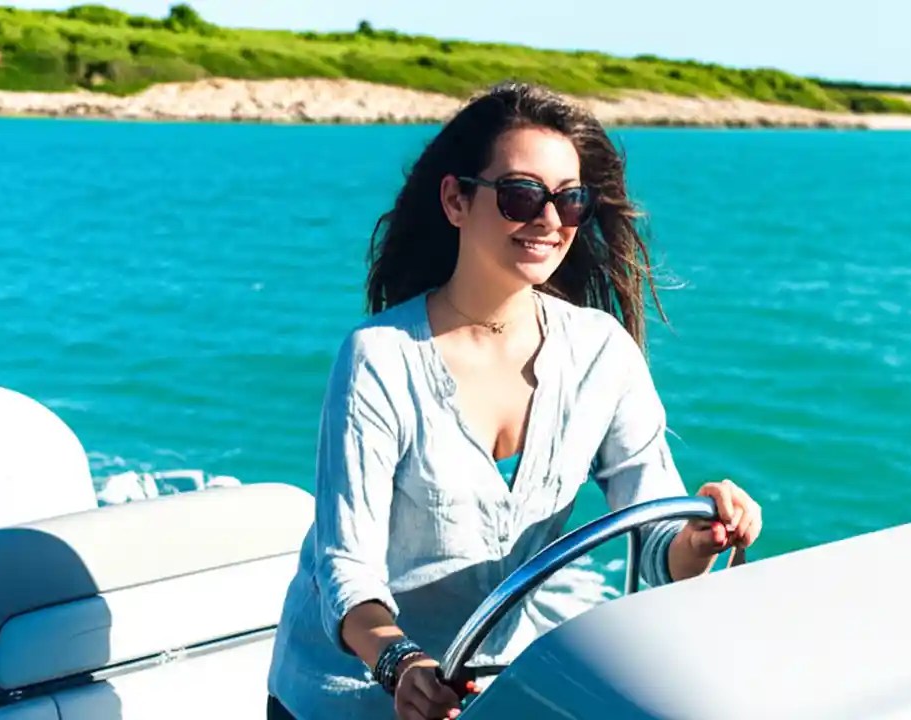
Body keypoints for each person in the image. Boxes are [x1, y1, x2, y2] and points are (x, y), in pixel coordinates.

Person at [265, 81, 763, 720]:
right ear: (456, 200)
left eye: (569, 200)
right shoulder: (379, 357)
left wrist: (702, 533)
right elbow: (346, 570)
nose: (550, 220)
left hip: (494, 688)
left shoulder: (600, 353)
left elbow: (656, 537)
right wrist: (402, 664)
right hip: (351, 692)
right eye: (522, 195)